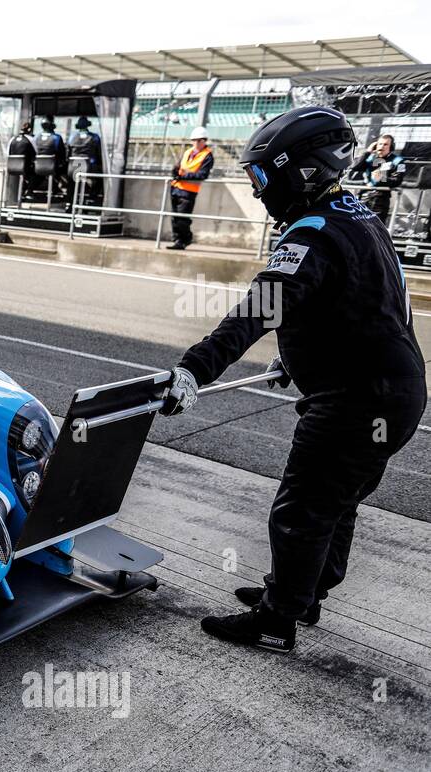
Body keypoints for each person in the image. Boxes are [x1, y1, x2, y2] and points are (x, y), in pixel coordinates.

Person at [161, 106, 426, 653]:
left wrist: (194, 368)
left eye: (263, 177)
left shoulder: (312, 233)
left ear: (298, 172)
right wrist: (305, 359)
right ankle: (303, 596)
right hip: (393, 391)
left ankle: (277, 620)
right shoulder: (359, 219)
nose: (260, 192)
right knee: (336, 502)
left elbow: (257, 310)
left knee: (301, 508)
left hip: (355, 400)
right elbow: (368, 306)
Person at [167, 127, 213, 250]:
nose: (196, 143)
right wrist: (176, 173)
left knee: (182, 217)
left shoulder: (207, 156)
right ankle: (177, 240)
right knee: (174, 217)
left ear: (204, 141)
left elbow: (202, 175)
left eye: (199, 140)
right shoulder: (187, 152)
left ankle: (185, 239)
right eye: (194, 140)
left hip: (188, 191)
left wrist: (184, 175)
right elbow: (178, 167)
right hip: (176, 188)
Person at [350, 134, 405, 224]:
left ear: (391, 147)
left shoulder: (399, 161)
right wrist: (367, 152)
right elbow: (354, 166)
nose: (381, 147)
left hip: (380, 200)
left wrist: (381, 179)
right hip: (363, 197)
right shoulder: (369, 157)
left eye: (385, 144)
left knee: (376, 229)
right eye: (380, 144)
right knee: (356, 227)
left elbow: (398, 180)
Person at [67, 116, 104, 209]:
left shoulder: (72, 137)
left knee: (72, 182)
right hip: (88, 167)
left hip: (72, 167)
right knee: (100, 178)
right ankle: (91, 198)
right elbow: (99, 154)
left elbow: (67, 152)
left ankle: (70, 202)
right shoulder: (94, 137)